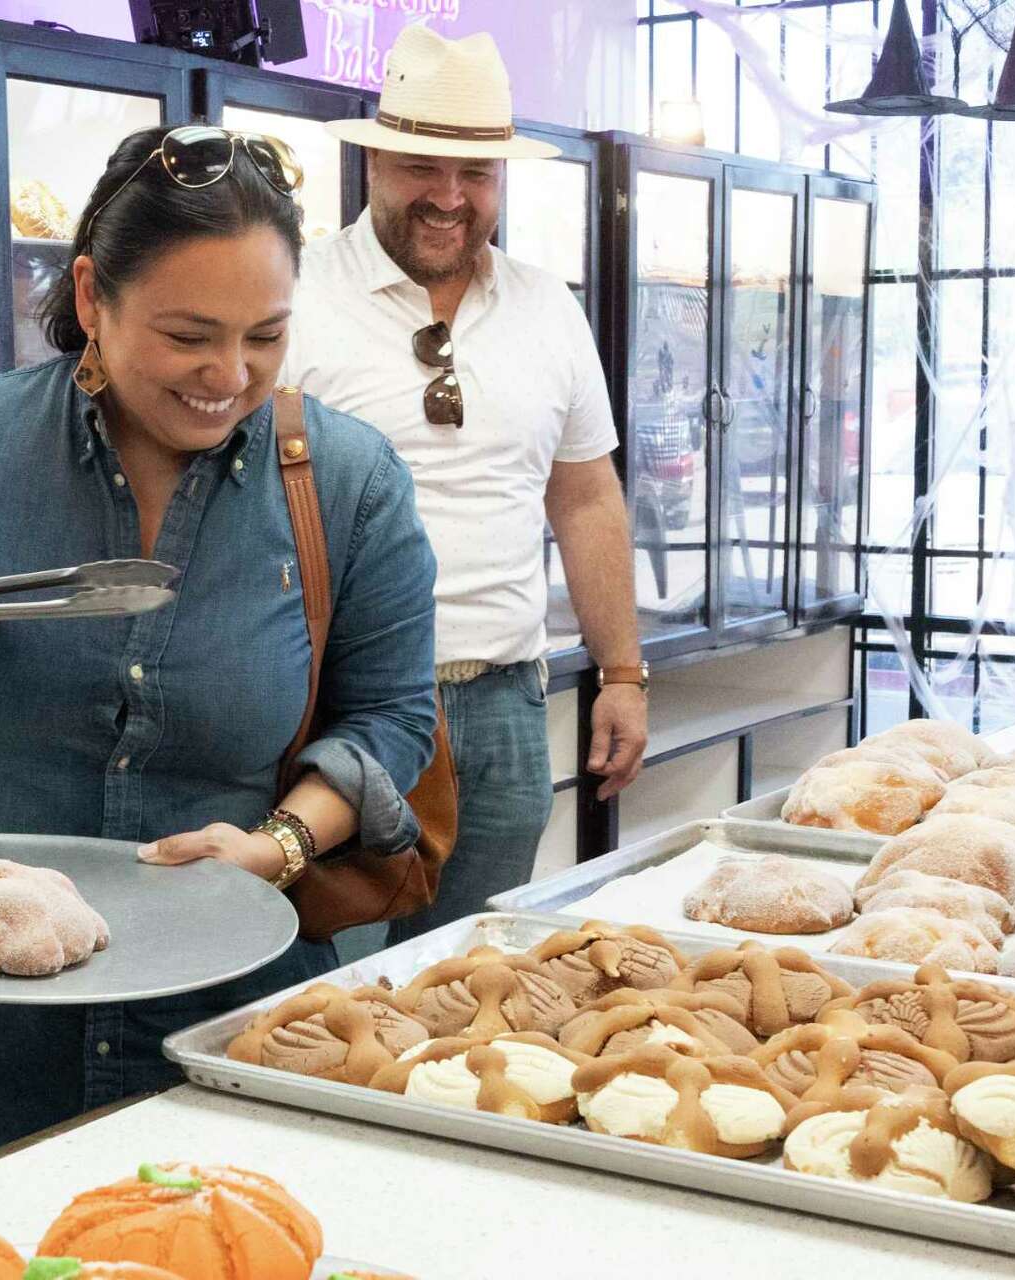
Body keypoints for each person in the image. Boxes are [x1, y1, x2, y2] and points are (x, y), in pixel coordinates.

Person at [0, 124, 439, 1193]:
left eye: (265, 335)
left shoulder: (345, 479)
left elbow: (391, 720)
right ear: (89, 296)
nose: (229, 374)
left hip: (234, 1016)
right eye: (189, 334)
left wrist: (282, 843)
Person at [283, 25, 648, 943]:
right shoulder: (293, 296)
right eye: (423, 166)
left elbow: (586, 497)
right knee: (335, 980)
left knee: (476, 968)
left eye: (476, 173)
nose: (449, 197)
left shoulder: (545, 305)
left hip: (506, 706)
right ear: (376, 159)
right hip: (341, 704)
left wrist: (624, 675)